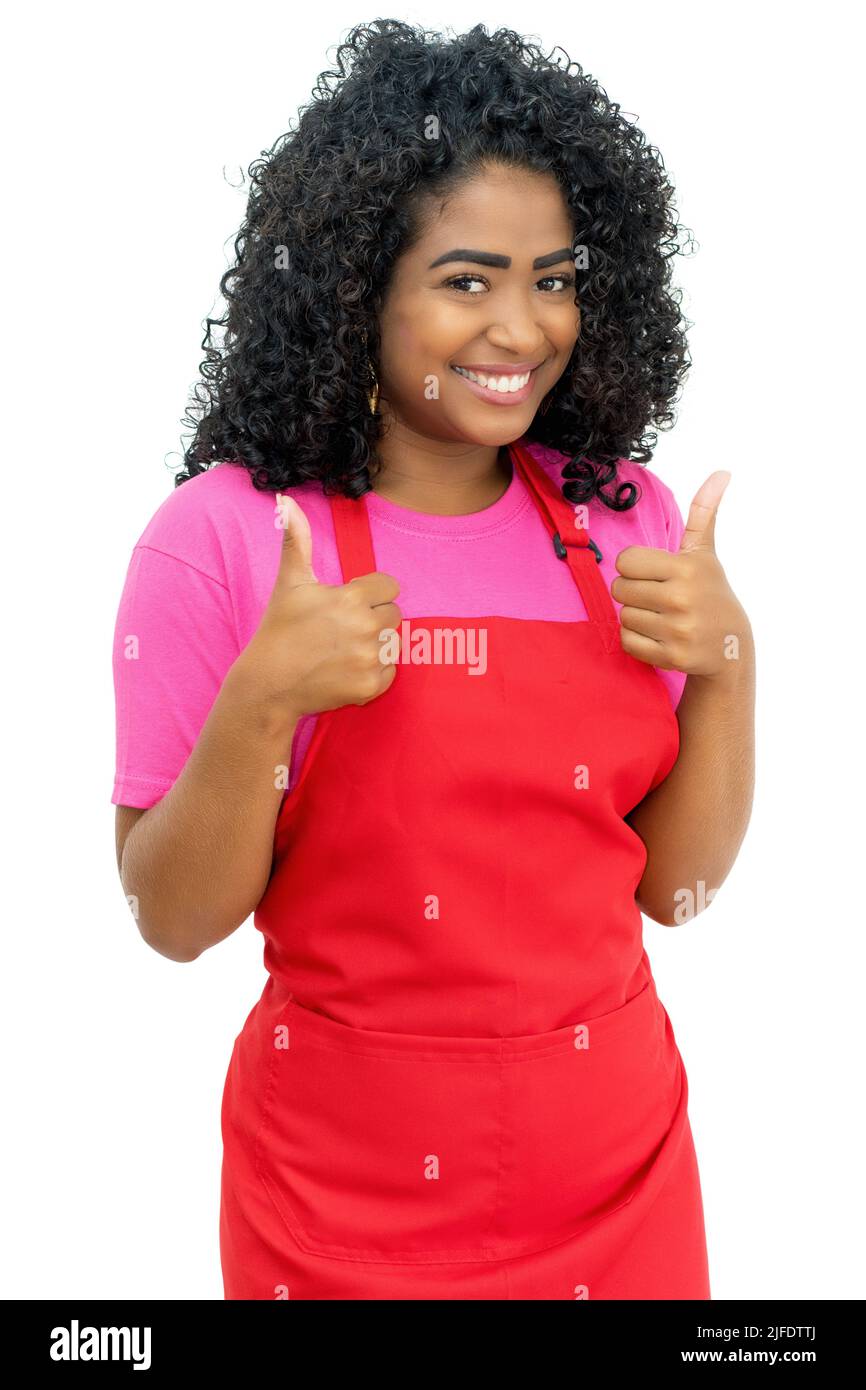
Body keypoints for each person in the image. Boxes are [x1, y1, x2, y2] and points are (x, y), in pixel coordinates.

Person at [112, 20, 755, 1300]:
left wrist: (731, 660)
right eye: (466, 280)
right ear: (355, 285)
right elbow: (172, 922)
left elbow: (674, 893)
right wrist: (258, 710)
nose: (521, 326)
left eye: (554, 276)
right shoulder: (227, 539)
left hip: (616, 1181)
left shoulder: (623, 517)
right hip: (338, 1201)